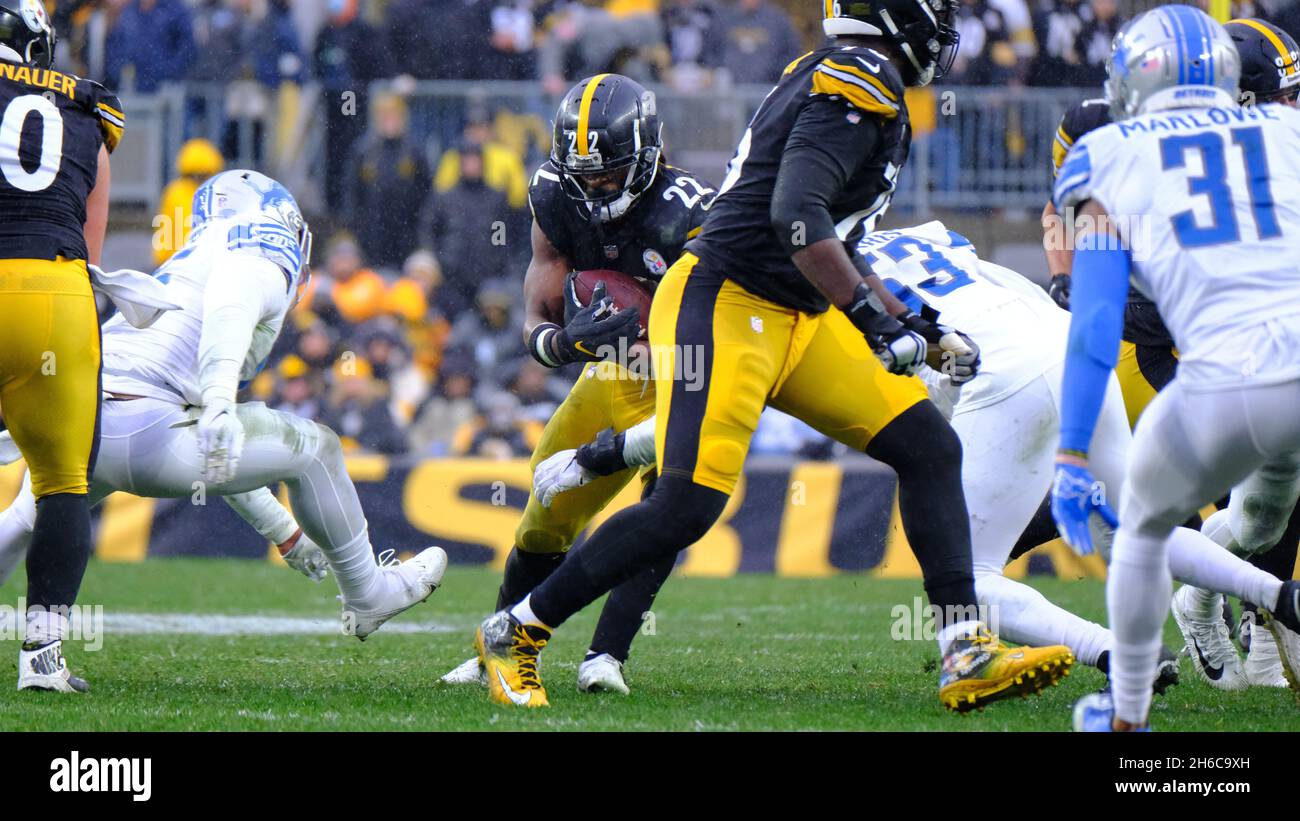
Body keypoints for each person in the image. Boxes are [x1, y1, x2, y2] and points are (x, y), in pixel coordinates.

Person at [474, 1, 1076, 712]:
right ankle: (517, 629)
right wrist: (872, 326)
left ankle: (963, 649)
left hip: (796, 310)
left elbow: (836, 235)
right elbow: (798, 217)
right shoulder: (858, 81)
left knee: (928, 445)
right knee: (686, 502)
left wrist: (913, 320)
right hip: (729, 301)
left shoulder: (837, 72)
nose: (943, 24)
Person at [40, 171, 446, 645]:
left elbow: (219, 445)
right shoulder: (257, 252)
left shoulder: (185, 262)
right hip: (148, 430)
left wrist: (285, 532)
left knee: (25, 522)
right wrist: (217, 402)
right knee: (316, 449)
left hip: (81, 422)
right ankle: (368, 594)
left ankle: (37, 652)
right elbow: (230, 311)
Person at [1053, 6, 1300, 731]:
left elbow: (1095, 324)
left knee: (1144, 529)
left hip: (1221, 388)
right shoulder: (1287, 131)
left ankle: (1128, 715)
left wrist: (1072, 451)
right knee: (1260, 518)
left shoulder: (1105, 154)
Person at [439, 73, 716, 692]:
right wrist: (566, 342)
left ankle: (606, 656)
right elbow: (537, 319)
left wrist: (642, 345)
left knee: (666, 510)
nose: (593, 186)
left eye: (607, 173)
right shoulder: (552, 194)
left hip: (685, 377)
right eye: (582, 173)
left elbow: (713, 343)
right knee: (546, 514)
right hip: (609, 374)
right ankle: (497, 644)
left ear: (646, 157)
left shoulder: (691, 215)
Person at [0, 0, 130, 692]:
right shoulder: (88, 106)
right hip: (55, 286)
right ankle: (42, 659)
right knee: (63, 483)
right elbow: (93, 236)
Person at [153, 137, 224, 267]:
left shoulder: (174, 191)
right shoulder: (218, 192)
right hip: (204, 263)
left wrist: (161, 259)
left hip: (178, 263)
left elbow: (165, 231)